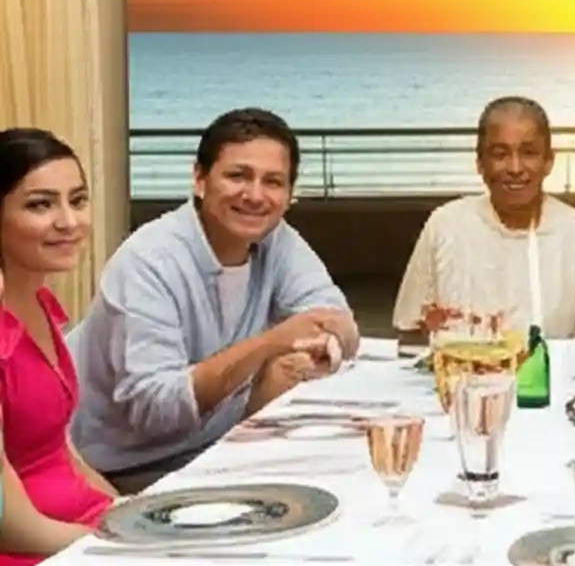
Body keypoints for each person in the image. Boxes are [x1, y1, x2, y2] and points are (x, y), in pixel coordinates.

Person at [68, 108, 358, 494]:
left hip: (219, 445)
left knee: (353, 476)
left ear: (289, 195)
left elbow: (341, 323)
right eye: (238, 176)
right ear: (200, 179)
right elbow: (155, 411)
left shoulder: (277, 239)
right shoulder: (148, 261)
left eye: (273, 182)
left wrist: (322, 345)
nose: (255, 195)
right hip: (129, 466)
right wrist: (270, 344)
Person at [392, 97, 575, 340]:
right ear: (480, 163)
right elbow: (408, 331)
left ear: (548, 162)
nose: (515, 168)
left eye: (529, 153)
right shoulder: (447, 225)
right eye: (500, 154)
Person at [0, 129, 115, 565]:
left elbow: (60, 450)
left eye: (78, 200)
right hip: (32, 548)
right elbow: (8, 522)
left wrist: (131, 512)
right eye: (40, 205)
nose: (69, 222)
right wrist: (112, 545)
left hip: (79, 526)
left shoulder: (42, 304)